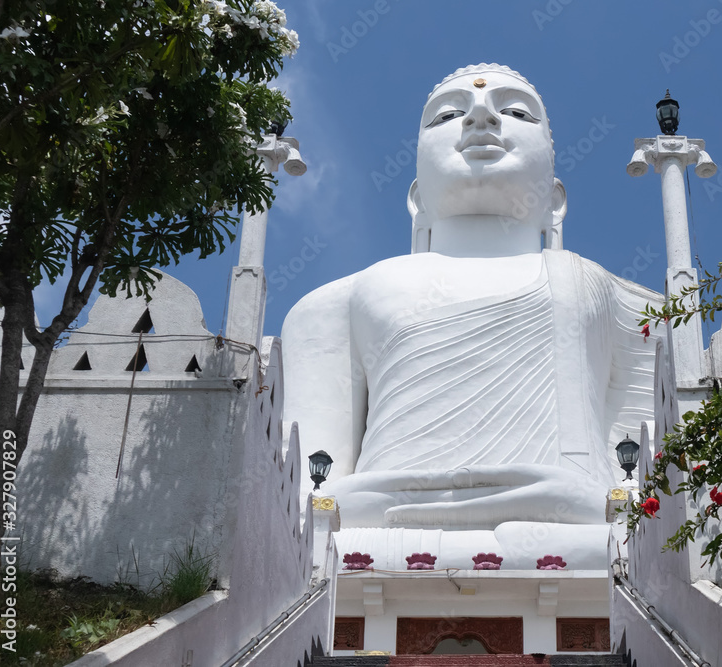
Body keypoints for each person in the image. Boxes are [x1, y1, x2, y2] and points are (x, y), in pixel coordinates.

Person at [281, 64, 661, 568]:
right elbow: (310, 493)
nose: (480, 118)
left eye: (515, 111)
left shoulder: (615, 297)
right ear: (416, 201)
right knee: (331, 530)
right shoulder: (337, 302)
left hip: (570, 525)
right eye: (449, 114)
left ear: (555, 200)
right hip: (381, 523)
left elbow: (638, 476)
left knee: (600, 518)